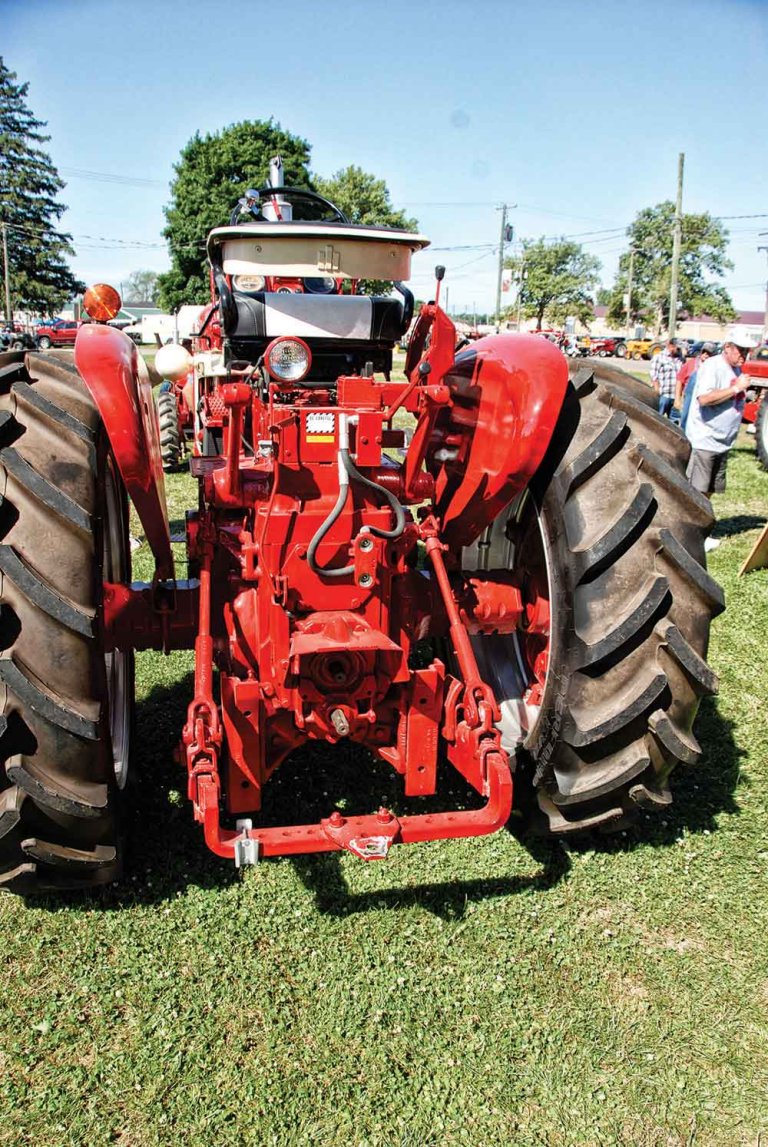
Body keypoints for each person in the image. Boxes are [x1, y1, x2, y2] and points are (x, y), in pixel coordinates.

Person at [685, 333, 761, 498]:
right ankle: (692, 524)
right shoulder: (713, 366)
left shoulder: (735, 368)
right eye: (740, 350)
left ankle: (703, 522)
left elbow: (730, 394)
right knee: (696, 493)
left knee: (710, 489)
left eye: (746, 350)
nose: (744, 354)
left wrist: (744, 394)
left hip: (722, 442)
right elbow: (704, 399)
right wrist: (736, 389)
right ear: (727, 347)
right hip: (705, 440)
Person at [677, 342, 717, 433]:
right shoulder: (691, 363)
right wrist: (677, 399)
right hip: (689, 398)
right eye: (704, 352)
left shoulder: (714, 368)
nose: (706, 355)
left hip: (704, 398)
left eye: (709, 354)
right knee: (685, 418)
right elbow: (680, 379)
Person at [650, 339, 682, 417]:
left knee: (674, 421)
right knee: (658, 418)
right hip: (663, 395)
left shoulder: (680, 359)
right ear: (671, 346)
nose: (679, 350)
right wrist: (657, 389)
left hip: (675, 396)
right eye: (677, 348)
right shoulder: (659, 357)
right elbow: (654, 374)